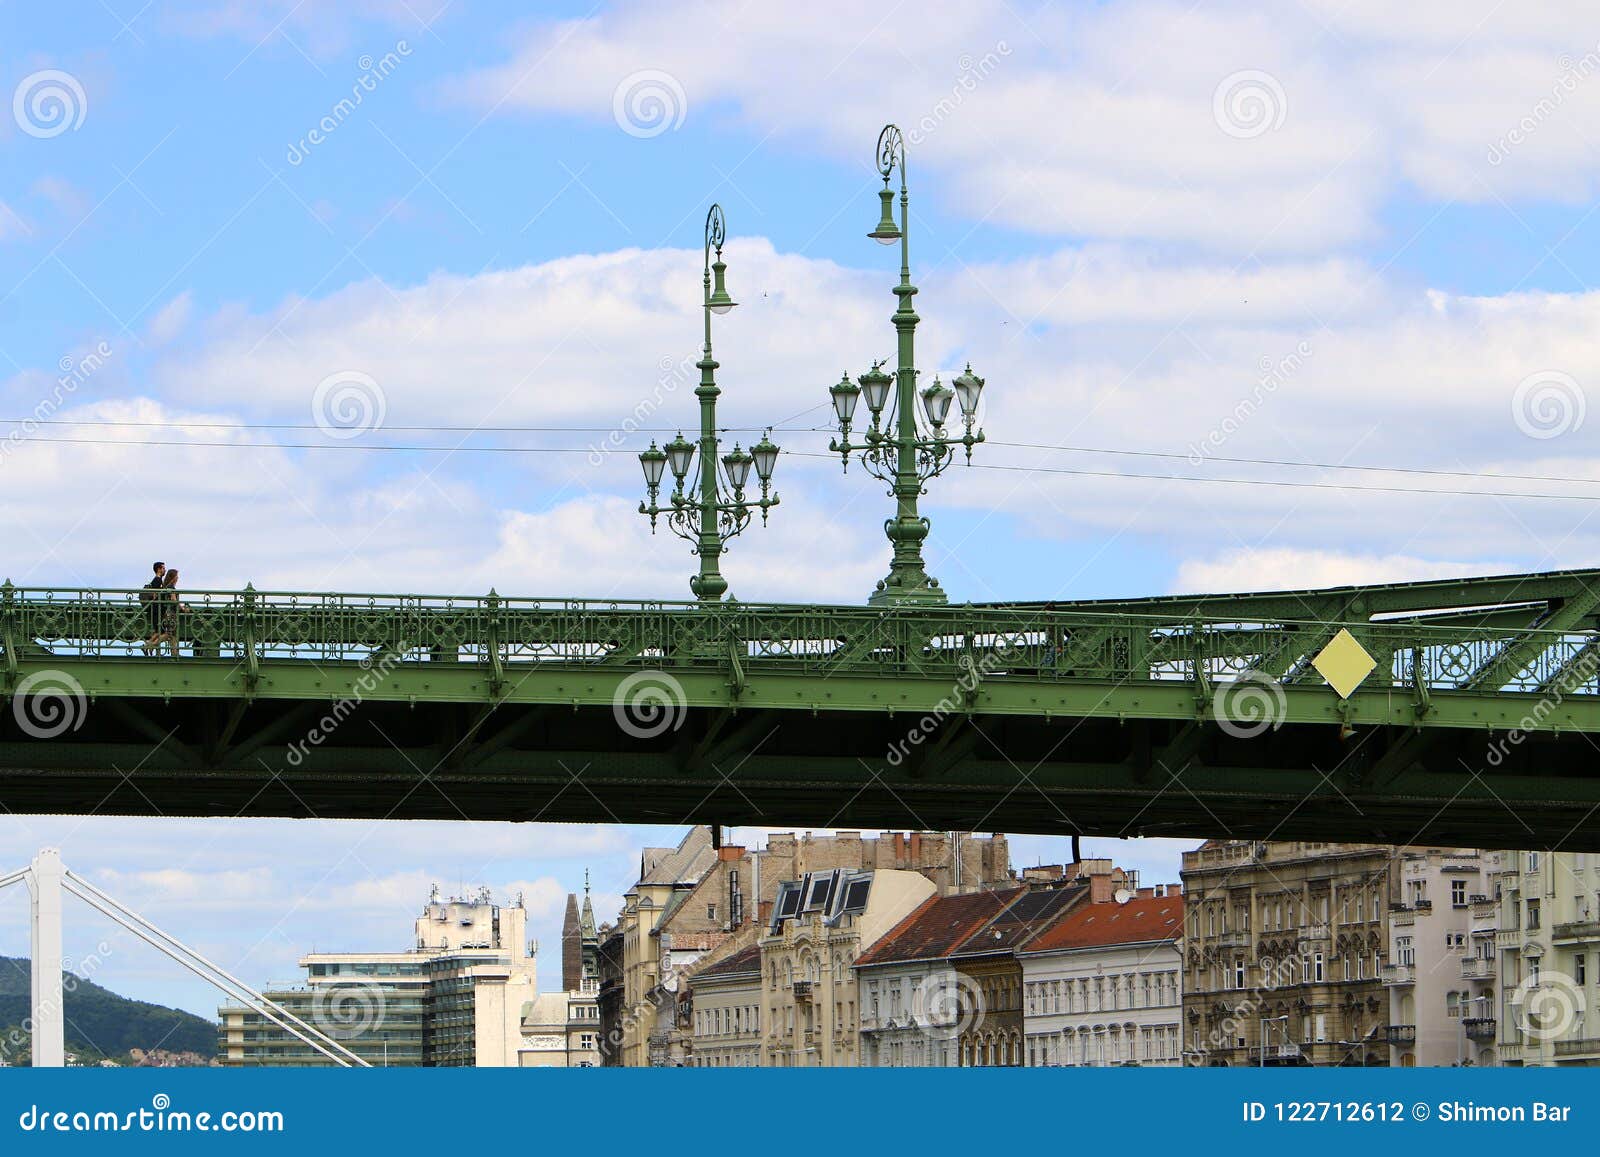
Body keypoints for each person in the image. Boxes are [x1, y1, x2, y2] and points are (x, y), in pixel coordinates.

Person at [150, 568, 187, 659]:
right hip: (171, 614)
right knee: (169, 634)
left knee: (173, 634)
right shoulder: (171, 587)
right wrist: (183, 608)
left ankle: (174, 652)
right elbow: (174, 600)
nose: (178, 578)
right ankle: (150, 645)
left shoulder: (166, 586)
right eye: (177, 576)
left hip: (167, 613)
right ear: (173, 577)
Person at [140, 562, 166, 656]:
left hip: (155, 609)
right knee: (160, 631)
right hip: (156, 609)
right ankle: (147, 646)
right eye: (163, 568)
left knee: (157, 631)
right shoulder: (157, 580)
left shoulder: (157, 580)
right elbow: (155, 595)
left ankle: (149, 647)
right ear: (158, 569)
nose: (164, 570)